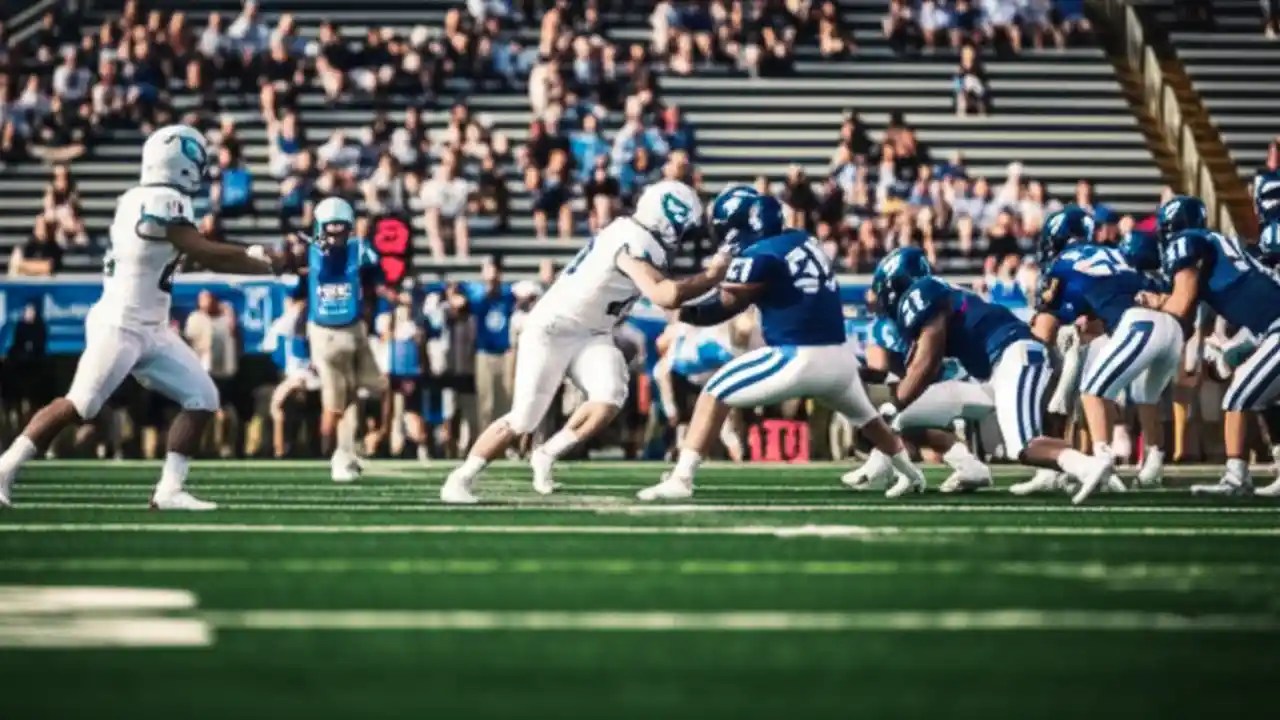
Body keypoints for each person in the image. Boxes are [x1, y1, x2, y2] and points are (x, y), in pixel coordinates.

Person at [0, 124, 284, 510]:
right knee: (81, 404)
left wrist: (263, 258)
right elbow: (205, 252)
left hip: (153, 326)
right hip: (121, 324)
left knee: (202, 397)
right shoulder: (162, 199)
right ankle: (5, 468)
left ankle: (169, 490)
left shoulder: (141, 198)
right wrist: (268, 261)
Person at [440, 180, 727, 504]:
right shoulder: (631, 239)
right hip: (553, 329)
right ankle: (459, 479)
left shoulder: (638, 236)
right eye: (684, 226)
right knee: (523, 419)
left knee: (610, 397)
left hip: (592, 333)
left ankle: (547, 454)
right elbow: (665, 295)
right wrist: (714, 276)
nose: (685, 236)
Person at [639, 193, 927, 501]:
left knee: (713, 392)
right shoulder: (804, 241)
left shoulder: (760, 255)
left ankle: (681, 478)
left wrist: (679, 309)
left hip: (797, 356)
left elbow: (723, 309)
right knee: (867, 419)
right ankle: (910, 474)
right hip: (839, 359)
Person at [870, 244, 1114, 501]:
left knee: (1022, 447)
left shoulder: (924, 293)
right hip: (992, 376)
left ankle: (1087, 466)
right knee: (905, 417)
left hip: (1014, 357)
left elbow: (926, 364)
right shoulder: (940, 293)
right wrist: (894, 409)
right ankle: (979, 468)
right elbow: (922, 365)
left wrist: (892, 404)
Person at [1025, 207, 1183, 503]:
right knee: (1145, 396)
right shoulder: (1116, 254)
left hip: (1137, 325)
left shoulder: (1062, 264)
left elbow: (1044, 332)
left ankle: (1101, 461)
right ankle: (1152, 466)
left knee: (1092, 393)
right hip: (1168, 327)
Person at [1144, 196, 1280, 497]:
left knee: (1237, 398)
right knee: (1264, 398)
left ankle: (1235, 479)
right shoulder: (1213, 242)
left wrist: (1151, 303)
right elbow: (1191, 313)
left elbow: (1180, 306)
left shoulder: (1187, 240)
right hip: (1267, 328)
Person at [844, 296, 995, 493]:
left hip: (950, 390)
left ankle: (880, 468)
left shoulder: (889, 325)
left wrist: (854, 375)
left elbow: (884, 372)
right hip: (974, 387)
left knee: (884, 407)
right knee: (910, 421)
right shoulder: (935, 315)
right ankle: (970, 467)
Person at [301, 197, 386, 482]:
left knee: (372, 389)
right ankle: (332, 455)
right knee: (339, 402)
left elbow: (379, 273)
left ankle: (345, 452)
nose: (336, 236)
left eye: (341, 229)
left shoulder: (356, 249)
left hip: (353, 329)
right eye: (331, 230)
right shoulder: (312, 252)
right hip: (327, 333)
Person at [469, 257, 517, 432]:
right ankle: (484, 441)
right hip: (484, 352)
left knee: (505, 399)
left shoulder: (507, 293)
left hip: (505, 352)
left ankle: (505, 442)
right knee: (485, 401)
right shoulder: (476, 294)